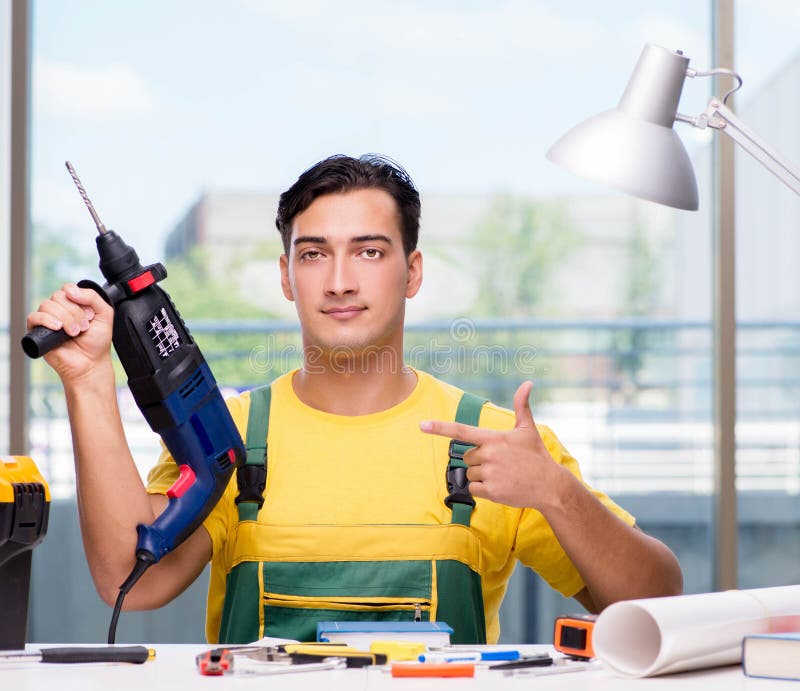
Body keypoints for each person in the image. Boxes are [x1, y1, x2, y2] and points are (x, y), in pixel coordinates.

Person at [27, 153, 682, 645]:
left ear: (413, 271)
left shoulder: (491, 441)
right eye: (314, 254)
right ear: (286, 275)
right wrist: (88, 382)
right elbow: (126, 579)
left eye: (369, 251)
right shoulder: (231, 437)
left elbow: (657, 598)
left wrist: (557, 493)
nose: (340, 281)